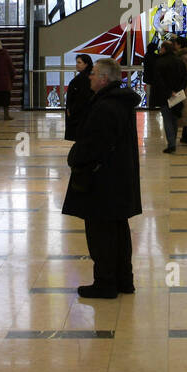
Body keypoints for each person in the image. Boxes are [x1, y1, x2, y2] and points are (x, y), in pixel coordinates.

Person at [61, 58, 142, 299]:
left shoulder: (105, 106)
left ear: (104, 79)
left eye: (94, 73)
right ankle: (124, 280)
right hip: (119, 177)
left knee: (100, 233)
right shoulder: (119, 102)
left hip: (103, 181)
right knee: (118, 229)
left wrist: (75, 158)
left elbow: (93, 145)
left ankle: (105, 283)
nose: (89, 77)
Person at [143, 41, 187, 153]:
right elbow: (185, 79)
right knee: (174, 118)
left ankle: (171, 144)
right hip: (177, 95)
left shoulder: (160, 62)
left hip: (164, 95)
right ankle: (173, 142)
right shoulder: (179, 61)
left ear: (164, 49)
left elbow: (158, 80)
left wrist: (169, 92)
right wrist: (178, 90)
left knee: (167, 119)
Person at [65, 54, 94, 141]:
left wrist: (72, 110)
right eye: (76, 62)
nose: (77, 64)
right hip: (79, 113)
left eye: (79, 62)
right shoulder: (83, 77)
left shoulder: (85, 78)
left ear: (86, 64)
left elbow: (82, 97)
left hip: (79, 114)